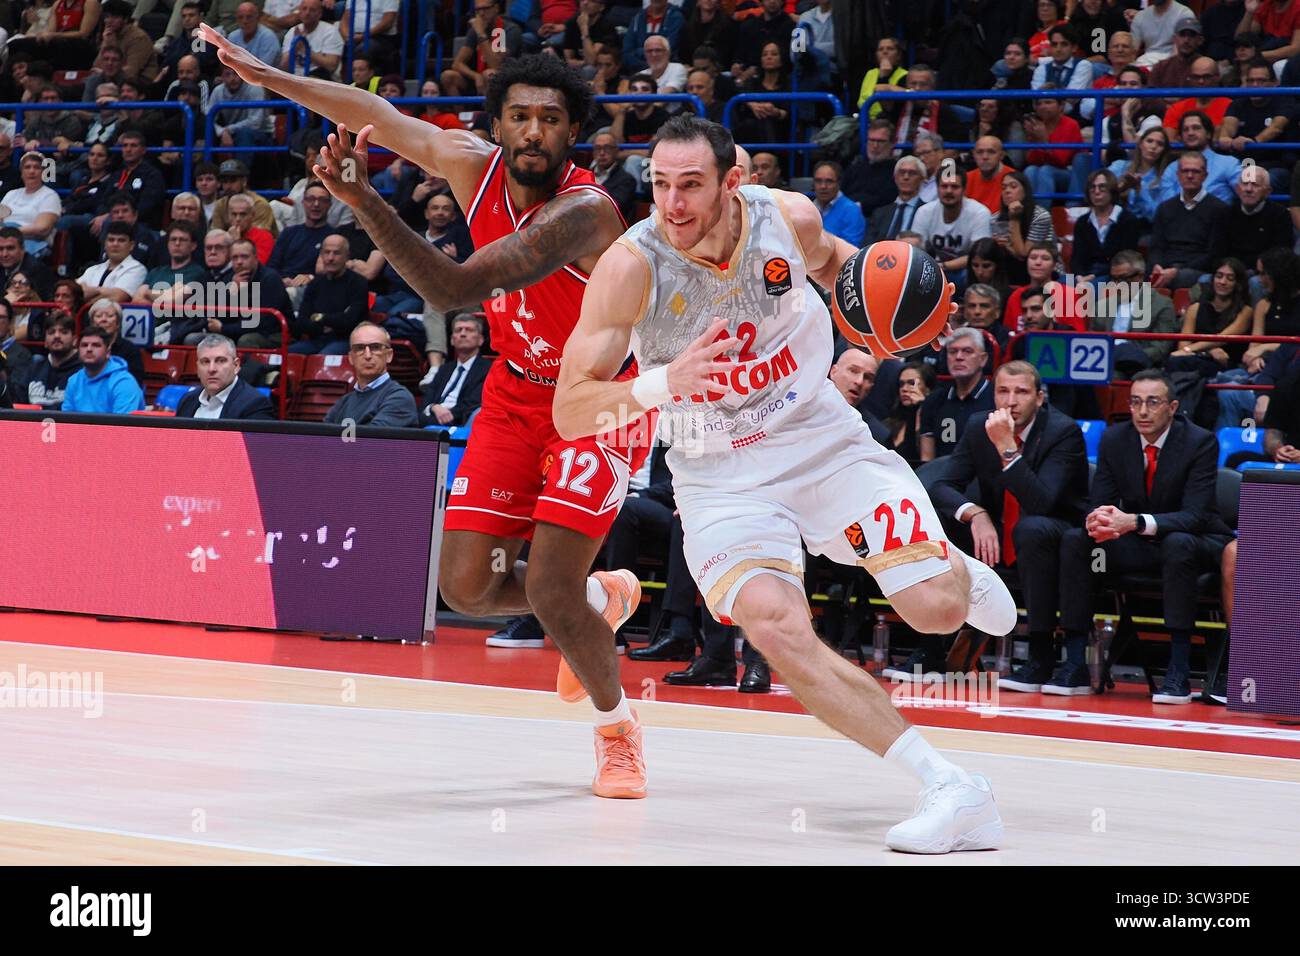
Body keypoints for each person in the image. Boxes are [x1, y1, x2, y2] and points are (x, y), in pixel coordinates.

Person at [202, 31, 654, 797]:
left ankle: (618, 732)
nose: (534, 131)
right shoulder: (471, 165)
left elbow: (450, 288)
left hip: (595, 398)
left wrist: (364, 200)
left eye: (550, 118)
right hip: (514, 392)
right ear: (499, 124)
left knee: (542, 584)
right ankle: (598, 598)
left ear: (572, 131)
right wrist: (268, 74)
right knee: (466, 586)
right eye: (519, 117)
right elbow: (375, 110)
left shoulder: (587, 212)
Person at [554, 114, 1016, 853]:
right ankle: (953, 787)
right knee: (773, 623)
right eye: (660, 185)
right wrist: (661, 382)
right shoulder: (630, 266)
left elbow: (847, 272)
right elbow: (571, 408)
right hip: (717, 475)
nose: (672, 205)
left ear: (733, 182)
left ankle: (950, 570)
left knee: (933, 611)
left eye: (691, 186)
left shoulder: (787, 219)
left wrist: (909, 304)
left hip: (820, 443)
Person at [1056, 370, 1233, 702]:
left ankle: (1178, 673)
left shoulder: (1199, 441)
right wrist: (1101, 520)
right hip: (1142, 544)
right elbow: (1101, 501)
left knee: (1178, 545)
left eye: (1153, 403)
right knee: (1076, 540)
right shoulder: (1115, 438)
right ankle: (1075, 663)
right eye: (1136, 402)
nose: (1142, 411)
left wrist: (1134, 522)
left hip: (1197, 541)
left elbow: (1195, 516)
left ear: (1173, 407)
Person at [921, 361, 1089, 690]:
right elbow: (942, 486)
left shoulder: (1063, 431)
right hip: (1000, 531)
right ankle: (929, 646)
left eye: (1021, 392)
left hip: (1060, 531)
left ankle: (1042, 657)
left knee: (1031, 529)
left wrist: (1007, 449)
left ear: (1040, 398)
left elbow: (1042, 502)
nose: (1010, 401)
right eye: (1002, 391)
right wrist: (976, 514)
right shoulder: (976, 426)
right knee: (939, 522)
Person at [1149, 151, 1230, 290]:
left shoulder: (1219, 209)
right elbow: (1157, 246)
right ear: (1178, 175)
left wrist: (1176, 271)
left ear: (1205, 176)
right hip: (1166, 267)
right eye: (1185, 171)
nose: (1190, 176)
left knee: (1182, 277)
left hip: (1197, 269)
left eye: (1196, 171)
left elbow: (1214, 254)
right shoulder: (1164, 208)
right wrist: (1157, 267)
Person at [321, 322, 418, 427]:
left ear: (389, 355)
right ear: (351, 358)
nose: (367, 355)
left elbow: (370, 441)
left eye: (375, 347)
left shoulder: (400, 398)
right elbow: (322, 439)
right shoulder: (344, 402)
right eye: (359, 348)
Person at [919, 327, 995, 461]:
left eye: (967, 351)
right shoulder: (934, 400)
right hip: (940, 477)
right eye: (953, 351)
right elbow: (927, 460)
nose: (959, 357)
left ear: (983, 359)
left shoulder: (996, 398)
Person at [911, 168, 992, 289]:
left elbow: (979, 255)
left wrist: (943, 266)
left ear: (964, 190)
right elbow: (916, 252)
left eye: (954, 187)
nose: (949, 191)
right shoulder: (924, 212)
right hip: (933, 269)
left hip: (965, 270)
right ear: (937, 189)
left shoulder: (980, 212)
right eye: (944, 186)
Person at [176, 334, 276, 419]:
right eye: (205, 362)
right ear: (197, 368)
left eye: (221, 361)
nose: (212, 369)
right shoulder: (187, 400)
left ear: (236, 366)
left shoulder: (255, 404)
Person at [419, 315, 492, 428]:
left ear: (481, 340)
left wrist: (447, 413)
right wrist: (433, 407)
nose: (462, 334)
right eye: (458, 330)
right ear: (452, 340)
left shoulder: (487, 369)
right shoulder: (444, 369)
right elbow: (427, 400)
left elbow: (474, 404)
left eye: (469, 330)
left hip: (461, 423)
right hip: (432, 419)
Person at [60, 325, 145, 414]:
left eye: (96, 345)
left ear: (108, 352)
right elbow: (66, 420)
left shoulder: (125, 383)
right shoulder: (73, 381)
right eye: (84, 345)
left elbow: (122, 426)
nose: (89, 349)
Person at [23, 314, 82, 409]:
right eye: (51, 332)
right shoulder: (34, 367)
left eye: (64, 332)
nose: (57, 336)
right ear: (45, 341)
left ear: (75, 340)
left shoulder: (83, 371)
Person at [865, 156, 927, 244]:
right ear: (895, 178)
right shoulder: (879, 214)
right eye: (901, 172)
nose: (906, 177)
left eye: (912, 173)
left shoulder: (927, 212)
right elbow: (867, 245)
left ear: (922, 179)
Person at [810, 160, 864, 247]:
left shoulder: (852, 210)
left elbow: (850, 248)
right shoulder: (808, 208)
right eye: (818, 181)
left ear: (839, 183)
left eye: (829, 181)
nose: (823, 186)